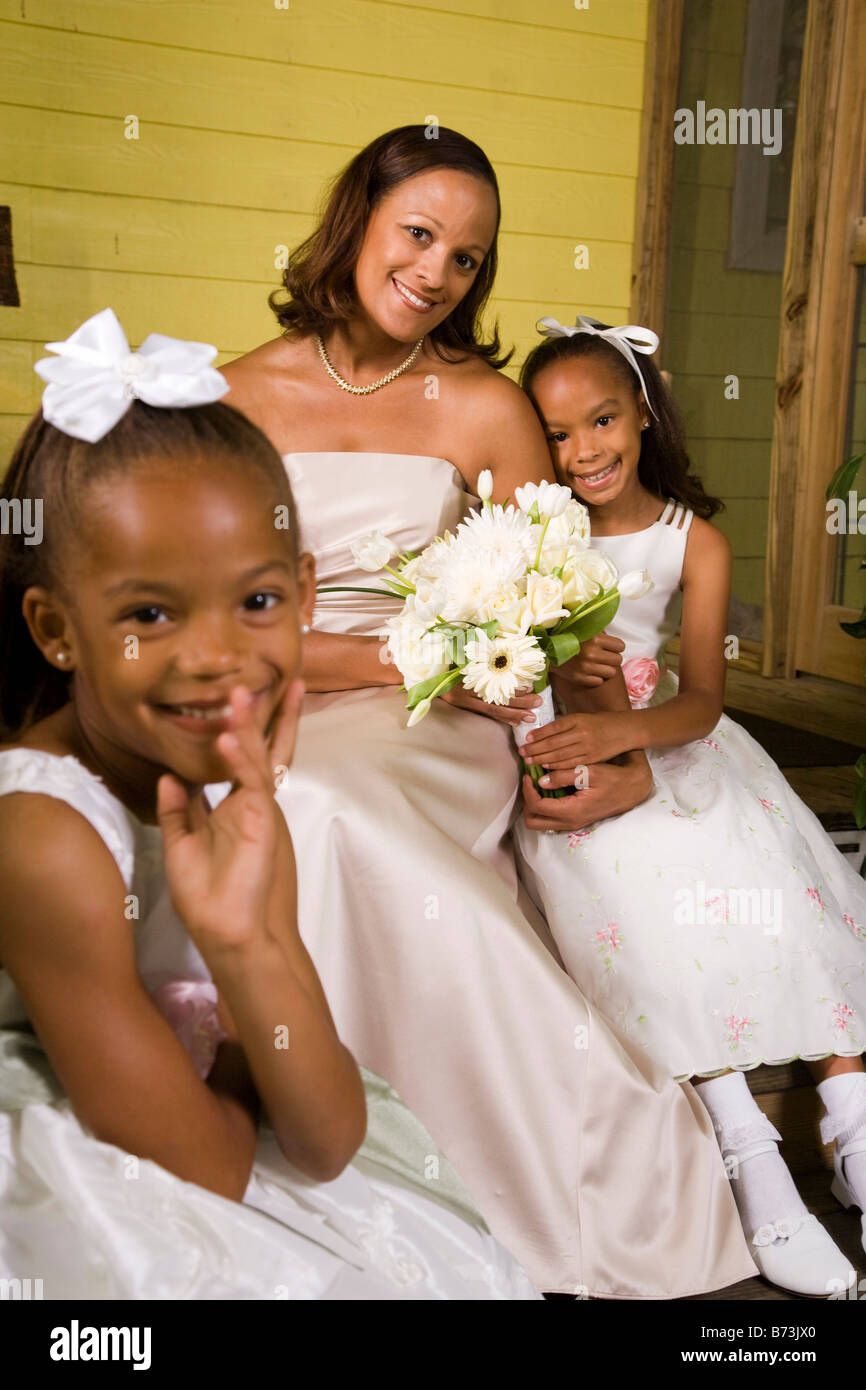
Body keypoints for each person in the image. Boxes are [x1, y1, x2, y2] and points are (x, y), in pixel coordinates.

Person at [222, 125, 757, 1295]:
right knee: (276, 790)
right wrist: (371, 657)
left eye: (467, 256)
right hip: (285, 683)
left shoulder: (484, 407)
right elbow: (222, 619)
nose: (435, 270)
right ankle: (296, 1135)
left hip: (443, 713)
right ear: (356, 219)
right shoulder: (234, 395)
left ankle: (460, 1167)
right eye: (418, 233)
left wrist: (605, 748)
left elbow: (557, 615)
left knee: (328, 796)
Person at [0, 307, 543, 1300]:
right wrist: (243, 1059)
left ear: (302, 593)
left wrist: (244, 942)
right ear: (56, 628)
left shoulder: (232, 807)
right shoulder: (44, 835)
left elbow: (328, 1134)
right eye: (150, 613)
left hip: (202, 1132)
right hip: (96, 1164)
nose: (215, 658)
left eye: (253, 601)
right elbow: (208, 1168)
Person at [513, 312, 866, 1296]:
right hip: (570, 736)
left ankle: (849, 1125)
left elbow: (700, 699)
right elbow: (515, 667)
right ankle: (746, 1147)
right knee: (648, 896)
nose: (581, 449)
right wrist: (571, 696)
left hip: (666, 733)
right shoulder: (532, 538)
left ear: (643, 415)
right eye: (555, 431)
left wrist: (627, 735)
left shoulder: (690, 543)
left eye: (601, 420)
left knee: (764, 866)